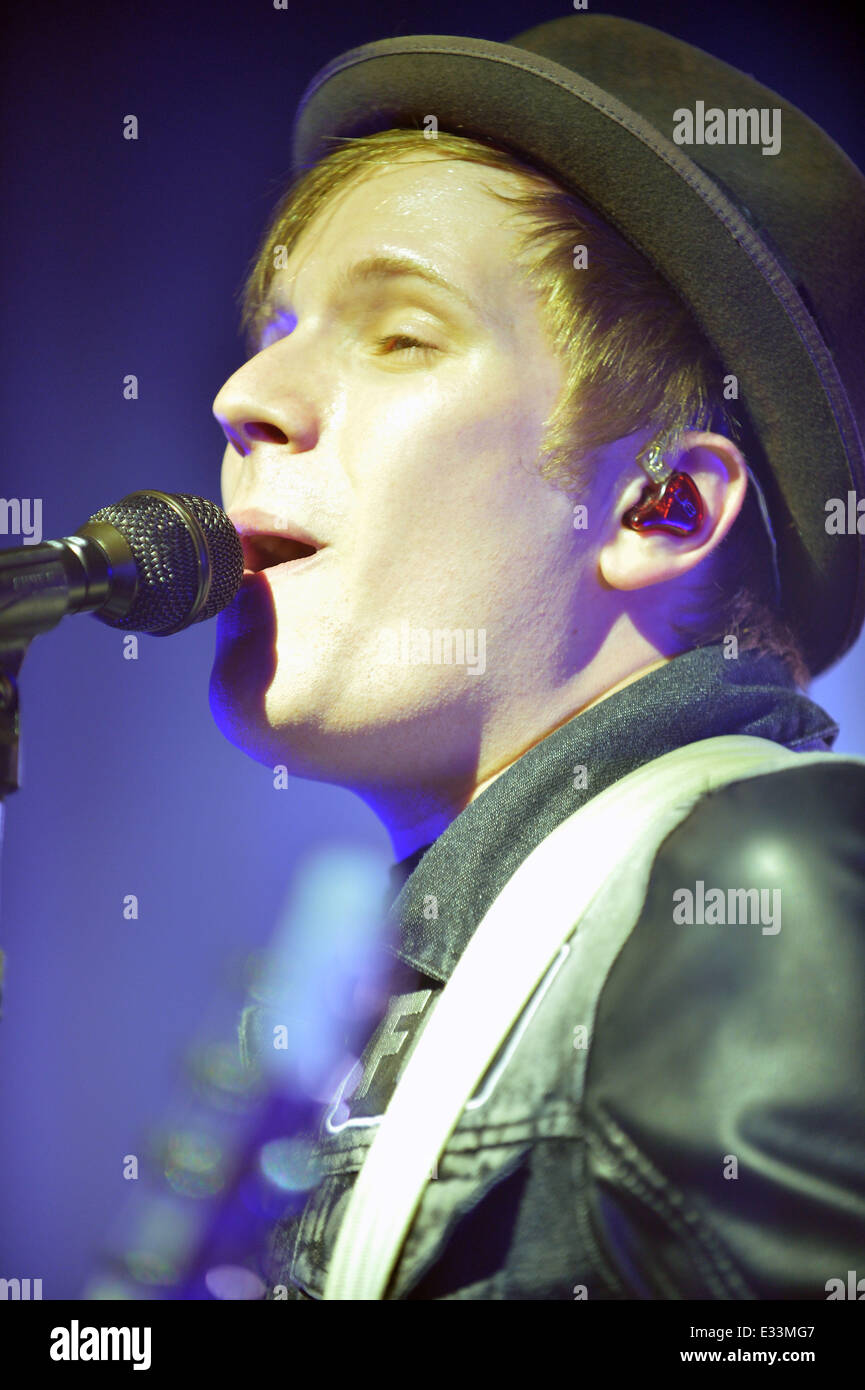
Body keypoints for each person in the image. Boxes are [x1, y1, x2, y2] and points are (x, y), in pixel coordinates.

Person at [209, 15, 865, 1299]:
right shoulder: (480, 956)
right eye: (276, 328)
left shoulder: (755, 887)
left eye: (400, 334)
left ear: (659, 505)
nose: (242, 394)